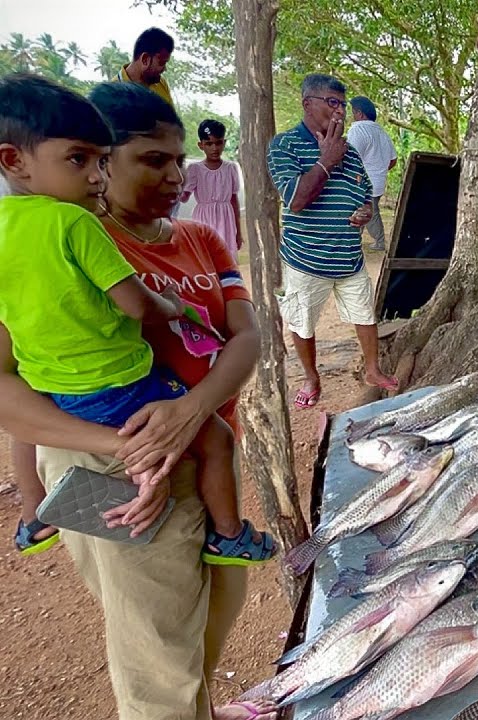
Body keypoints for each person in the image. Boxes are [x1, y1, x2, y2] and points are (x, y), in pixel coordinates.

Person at [0, 78, 278, 720]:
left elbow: (246, 337)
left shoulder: (199, 238)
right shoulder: (56, 243)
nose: (175, 175)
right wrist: (130, 445)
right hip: (116, 465)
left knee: (215, 609)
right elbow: (10, 385)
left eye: (179, 159)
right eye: (152, 159)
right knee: (158, 650)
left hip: (204, 451)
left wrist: (190, 410)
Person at [268, 74, 399, 407]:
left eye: (342, 104)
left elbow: (364, 193)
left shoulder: (350, 152)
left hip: (349, 257)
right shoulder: (284, 145)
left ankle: (372, 370)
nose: (340, 110)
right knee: (302, 322)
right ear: (307, 103)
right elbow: (295, 199)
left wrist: (365, 211)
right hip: (306, 259)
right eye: (332, 102)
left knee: (365, 314)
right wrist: (325, 160)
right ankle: (312, 378)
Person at [181, 119, 243, 257]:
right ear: (201, 145)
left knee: (225, 258)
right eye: (209, 144)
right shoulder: (195, 169)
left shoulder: (230, 168)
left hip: (225, 220)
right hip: (203, 219)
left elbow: (233, 200)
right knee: (206, 255)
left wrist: (238, 232)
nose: (214, 148)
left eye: (218, 143)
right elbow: (184, 197)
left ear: (224, 143)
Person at [347, 96, 397, 251]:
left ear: (360, 113)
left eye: (353, 112)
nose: (352, 116)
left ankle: (378, 241)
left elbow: (351, 158)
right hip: (378, 181)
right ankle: (355, 239)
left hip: (362, 181)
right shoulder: (382, 132)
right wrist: (379, 170)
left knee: (367, 212)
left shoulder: (358, 129)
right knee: (364, 210)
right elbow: (393, 160)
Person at [117, 27, 175, 108]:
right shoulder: (112, 96)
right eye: (162, 63)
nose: (165, 69)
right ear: (145, 59)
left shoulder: (161, 84)